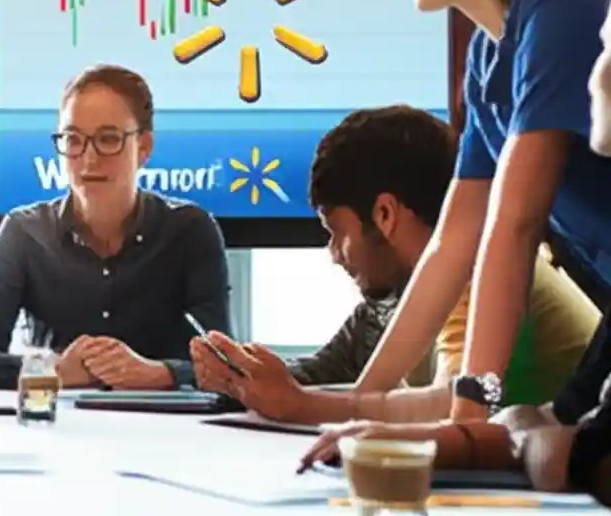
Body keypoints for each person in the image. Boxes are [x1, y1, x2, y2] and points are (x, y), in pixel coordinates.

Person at [344, 0, 611, 425]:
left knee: (550, 451)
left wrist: (469, 410)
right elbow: (453, 243)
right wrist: (364, 397)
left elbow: (513, 225)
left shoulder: (562, 7)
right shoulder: (489, 58)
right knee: (550, 447)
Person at [190, 106, 598, 425]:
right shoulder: (405, 298)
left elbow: (451, 402)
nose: (334, 254)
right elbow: (357, 393)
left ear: (385, 213)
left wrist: (303, 405)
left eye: (335, 231)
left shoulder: (478, 269)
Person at [0, 64, 230, 390]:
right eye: (73, 140)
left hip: (164, 429)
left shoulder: (190, 230)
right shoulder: (24, 231)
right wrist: (51, 370)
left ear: (144, 147)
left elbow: (225, 365)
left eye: (108, 139)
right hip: (55, 425)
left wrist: (159, 373)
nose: (88, 159)